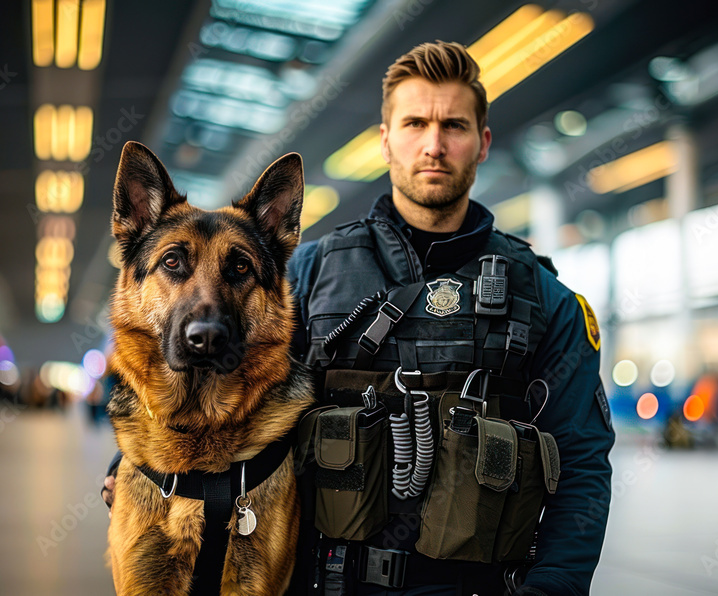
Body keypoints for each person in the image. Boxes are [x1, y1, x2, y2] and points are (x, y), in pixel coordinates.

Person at [103, 41, 614, 596]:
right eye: (415, 123)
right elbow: (227, 385)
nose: (435, 145)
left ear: (483, 142)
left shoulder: (542, 298)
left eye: (455, 126)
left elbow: (582, 463)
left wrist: (553, 588)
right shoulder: (308, 275)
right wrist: (136, 451)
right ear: (385, 140)